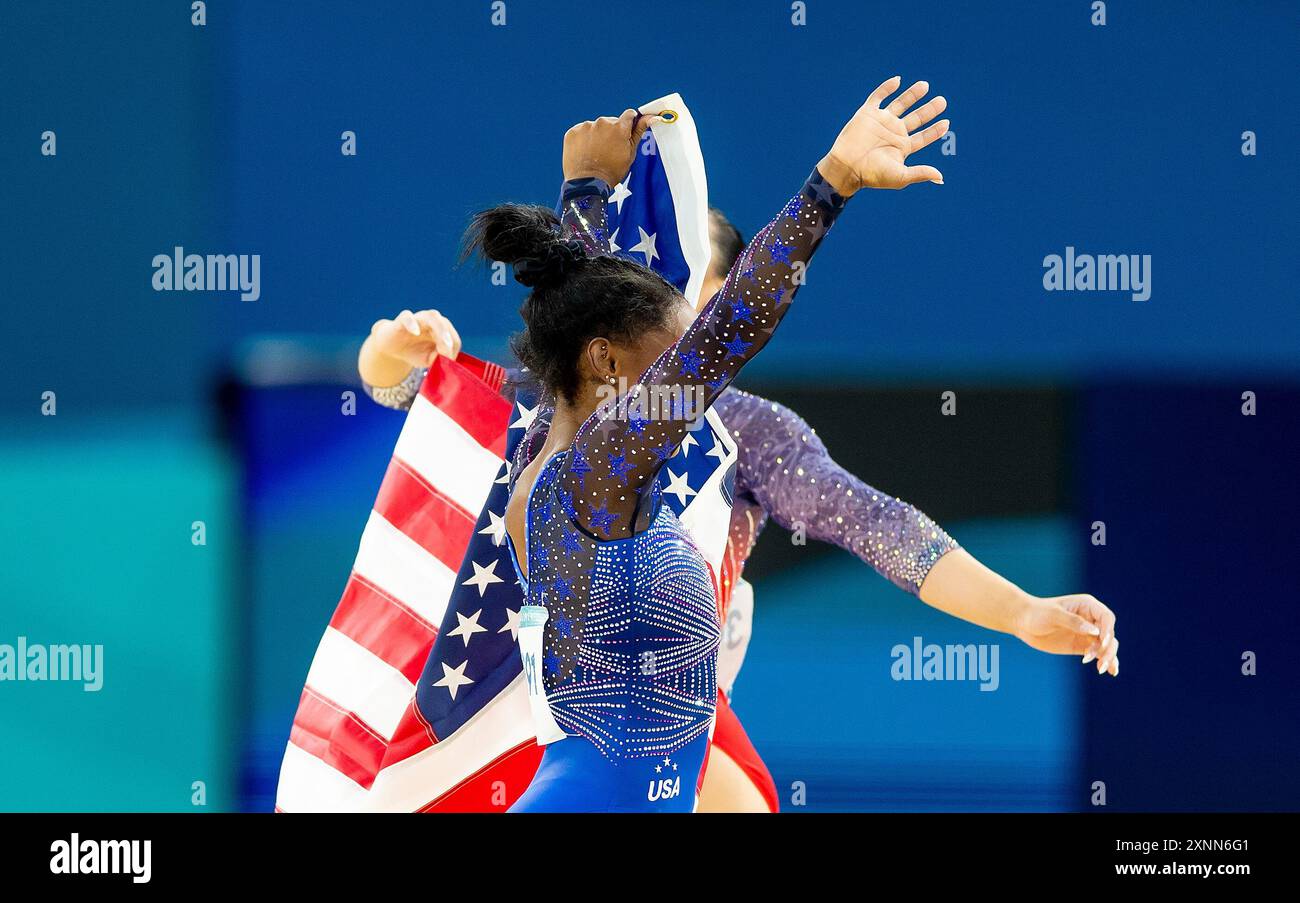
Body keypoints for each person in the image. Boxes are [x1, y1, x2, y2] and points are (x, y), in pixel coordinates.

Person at [359, 80, 1120, 812]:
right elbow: (729, 332)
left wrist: (586, 192)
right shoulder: (593, 474)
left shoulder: (561, 456)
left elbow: (569, 312)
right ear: (610, 360)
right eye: (672, 346)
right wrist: (832, 183)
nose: (689, 361)